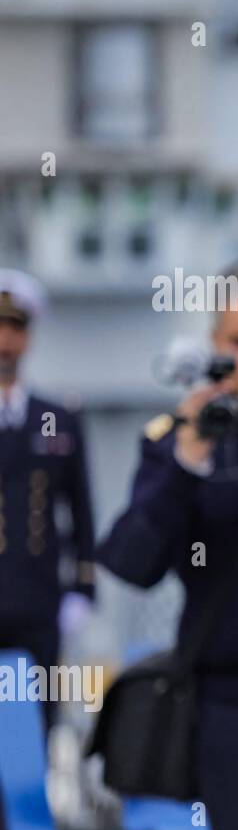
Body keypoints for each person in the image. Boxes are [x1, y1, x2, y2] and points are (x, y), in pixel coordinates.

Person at [97, 258, 238, 830]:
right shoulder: (182, 437)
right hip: (233, 701)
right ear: (214, 346)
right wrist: (187, 456)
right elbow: (134, 561)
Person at [0, 269, 96, 729]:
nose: (5, 340)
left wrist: (82, 588)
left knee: (37, 724)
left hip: (39, 600)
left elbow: (81, 510)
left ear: (28, 337)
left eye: (15, 327)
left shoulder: (55, 419)